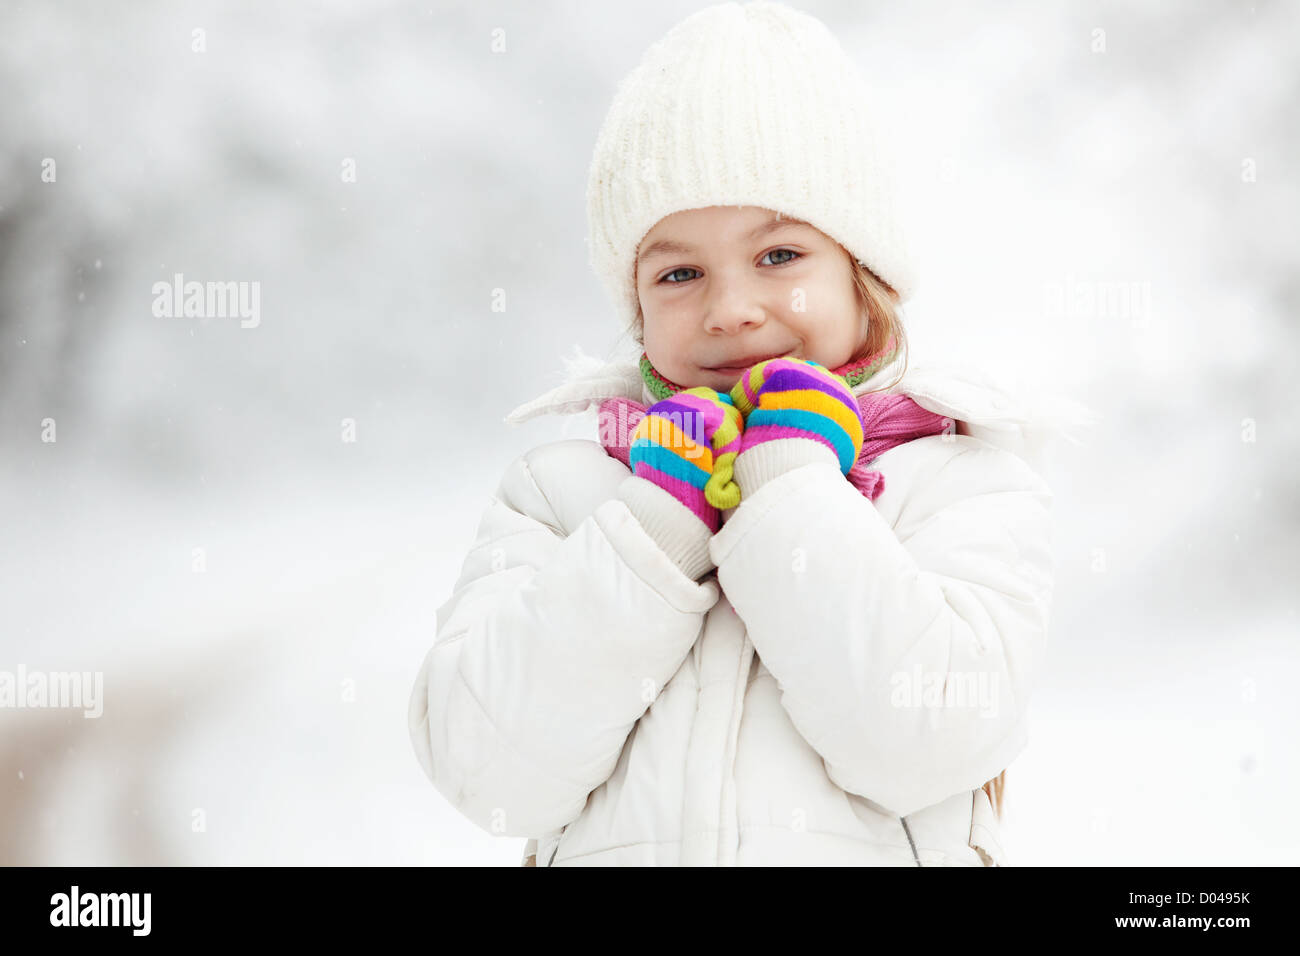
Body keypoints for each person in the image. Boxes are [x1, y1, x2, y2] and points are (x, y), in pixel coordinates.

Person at [408, 0, 1094, 866]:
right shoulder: (561, 498)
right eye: (680, 273)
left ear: (866, 274)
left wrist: (790, 491)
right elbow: (490, 774)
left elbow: (928, 743)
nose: (730, 309)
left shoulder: (960, 483)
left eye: (779, 257)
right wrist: (652, 534)